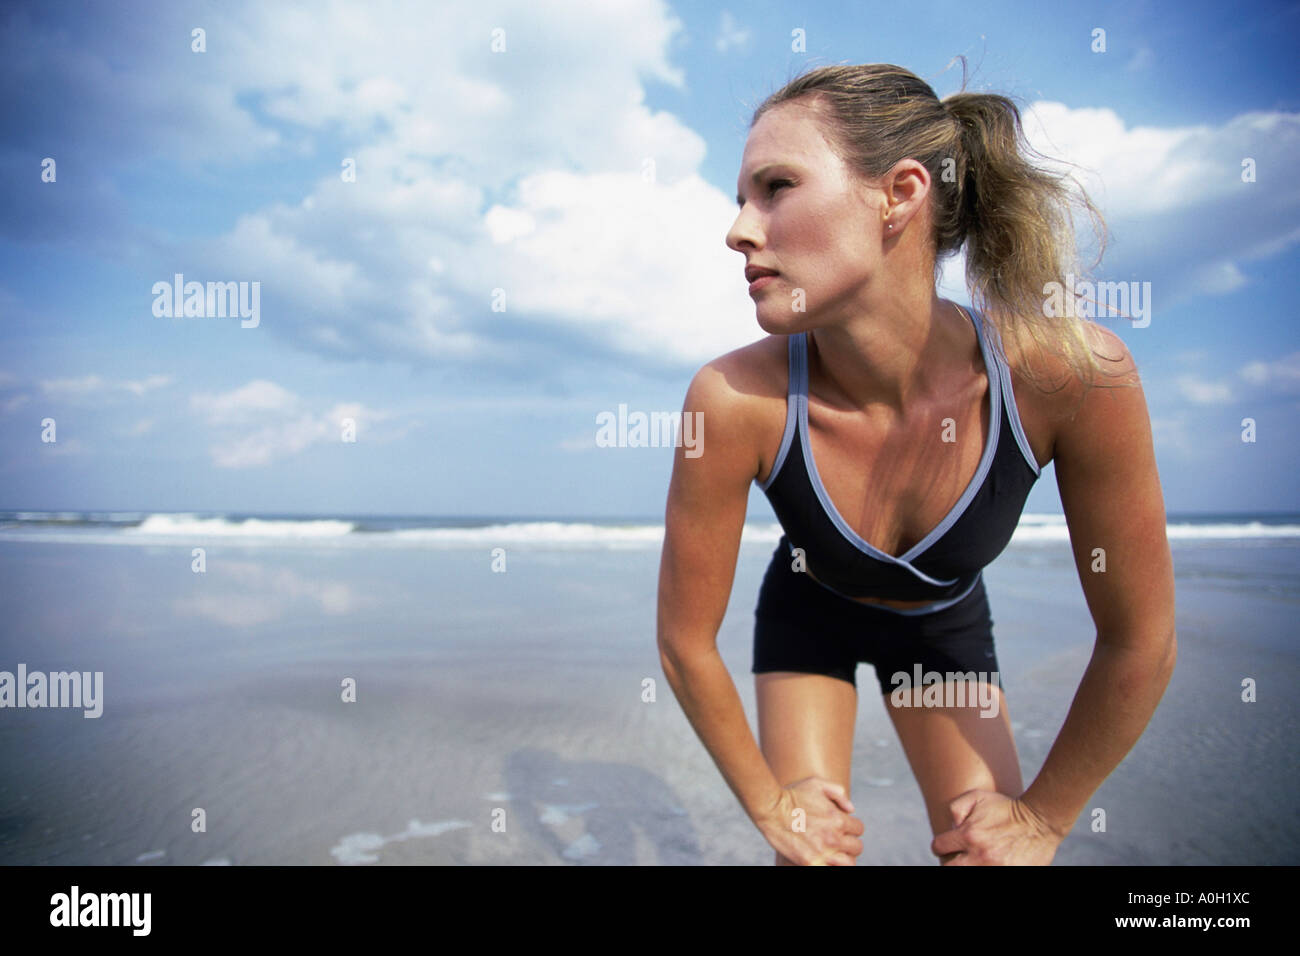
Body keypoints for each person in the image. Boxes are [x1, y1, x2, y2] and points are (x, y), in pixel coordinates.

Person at [655, 63, 1176, 866]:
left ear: (899, 194)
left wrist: (1042, 820)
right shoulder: (732, 399)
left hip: (943, 631)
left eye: (776, 187)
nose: (739, 230)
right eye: (740, 200)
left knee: (988, 854)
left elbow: (1140, 639)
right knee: (811, 854)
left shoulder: (1068, 378)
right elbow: (686, 644)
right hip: (807, 613)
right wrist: (772, 807)